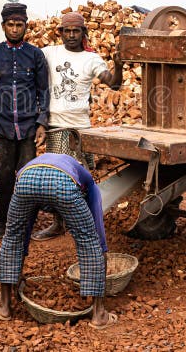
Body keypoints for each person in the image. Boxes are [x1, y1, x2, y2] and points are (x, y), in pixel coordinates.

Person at [0, 153, 116, 330]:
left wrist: (20, 260)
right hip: (62, 183)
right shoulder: (88, 182)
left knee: (12, 237)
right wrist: (101, 247)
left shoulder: (40, 162)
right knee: (89, 241)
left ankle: (4, 306)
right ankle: (99, 314)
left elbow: (23, 229)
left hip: (26, 179)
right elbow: (95, 228)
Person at [32, 12, 122, 241]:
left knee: (80, 178)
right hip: (55, 126)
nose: (71, 35)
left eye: (76, 31)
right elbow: (26, 62)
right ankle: (59, 223)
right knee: (57, 177)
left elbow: (113, 82)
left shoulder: (91, 59)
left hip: (80, 128)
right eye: (67, 31)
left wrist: (119, 65)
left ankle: (81, 223)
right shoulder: (49, 53)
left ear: (84, 33)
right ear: (60, 33)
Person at [0, 2, 49, 242]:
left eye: (19, 25)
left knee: (27, 179)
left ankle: (25, 226)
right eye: (10, 25)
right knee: (3, 178)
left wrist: (42, 122)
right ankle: (4, 224)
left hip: (27, 130)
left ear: (26, 26)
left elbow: (44, 91)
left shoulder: (35, 55)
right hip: (2, 128)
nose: (15, 29)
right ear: (3, 26)